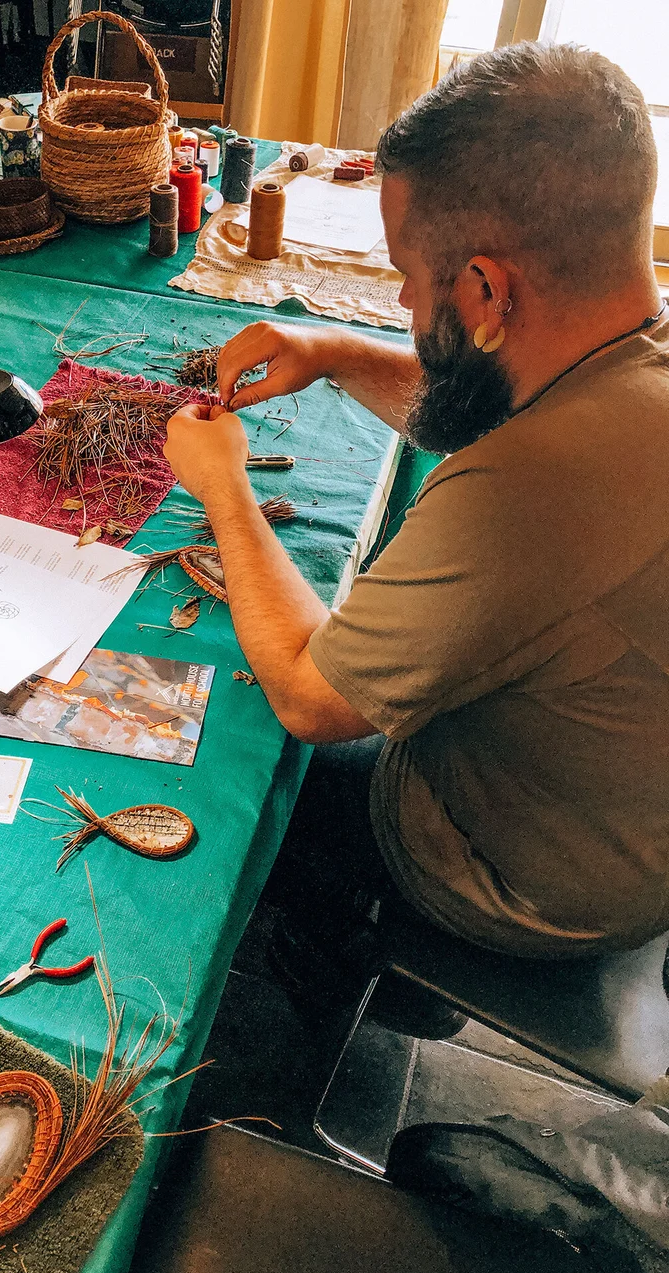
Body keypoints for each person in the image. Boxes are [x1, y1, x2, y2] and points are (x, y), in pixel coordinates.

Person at [163, 42, 669, 984]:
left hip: (534, 881)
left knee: (249, 767)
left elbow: (314, 696)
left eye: (404, 277)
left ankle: (324, 974)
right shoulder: (637, 340)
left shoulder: (527, 494)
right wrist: (332, 351)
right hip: (628, 817)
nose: (396, 303)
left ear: (485, 290)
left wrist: (225, 489)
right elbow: (502, 405)